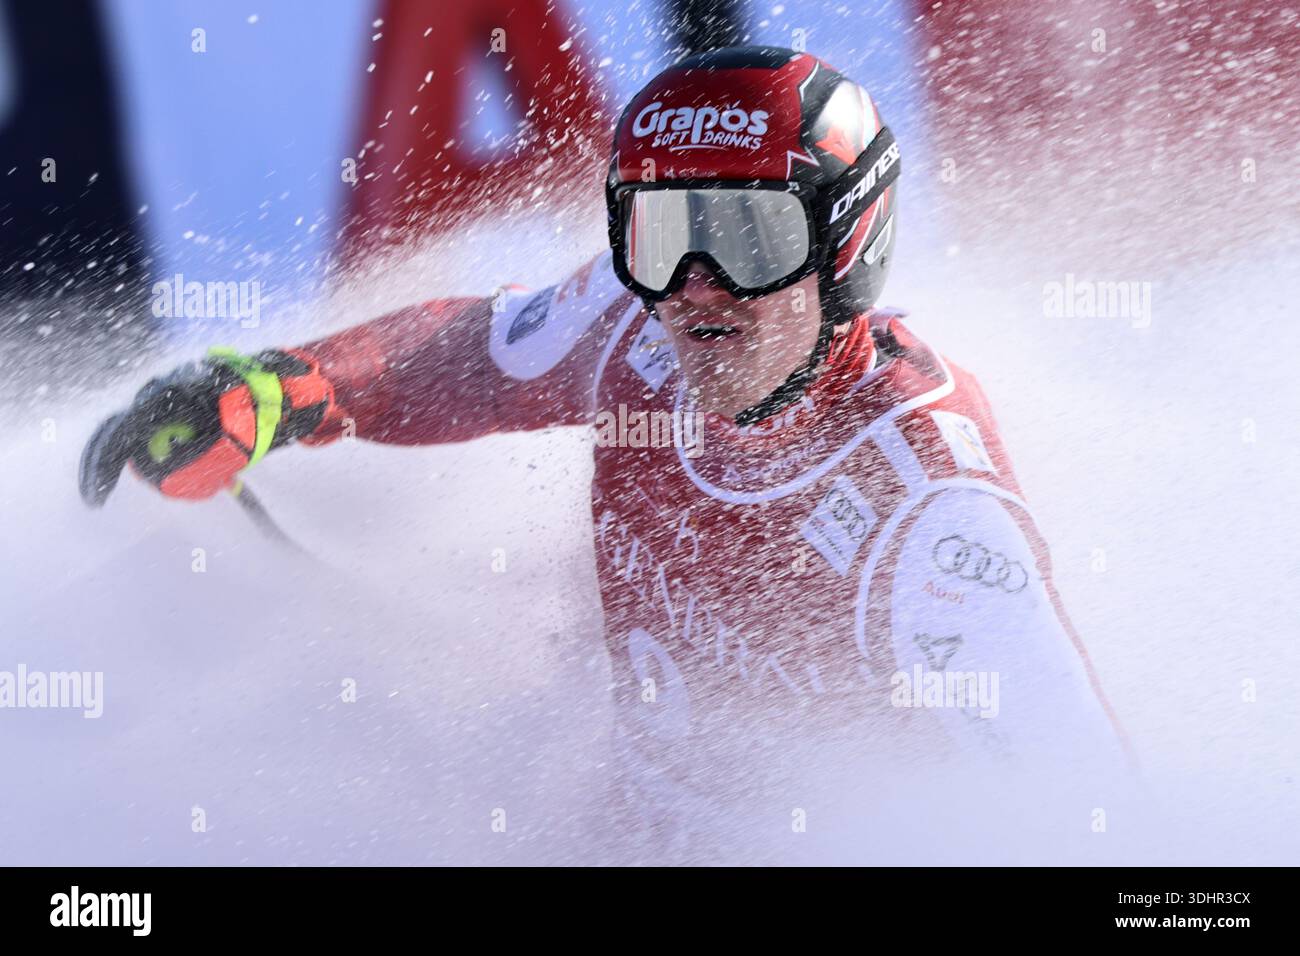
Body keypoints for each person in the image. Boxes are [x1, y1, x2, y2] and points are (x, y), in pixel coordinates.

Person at [80, 46, 1127, 842]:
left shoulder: (933, 523)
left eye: (750, 238)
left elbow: (1097, 832)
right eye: (661, 233)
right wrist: (288, 385)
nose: (696, 289)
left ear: (848, 244)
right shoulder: (637, 320)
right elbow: (467, 354)